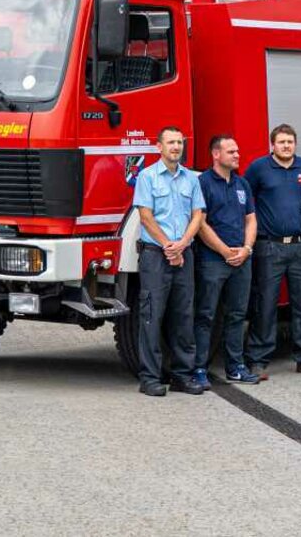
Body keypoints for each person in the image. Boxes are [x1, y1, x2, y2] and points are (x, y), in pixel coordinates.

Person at [132, 125, 206, 397]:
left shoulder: (191, 179)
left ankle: (182, 376)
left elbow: (198, 215)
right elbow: (145, 216)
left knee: (183, 316)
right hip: (156, 256)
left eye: (179, 143)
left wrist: (183, 244)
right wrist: (168, 246)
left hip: (183, 253)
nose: (176, 147)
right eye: (171, 143)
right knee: (152, 316)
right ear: (158, 146)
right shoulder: (147, 177)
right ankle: (150, 378)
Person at [245, 123, 301, 378]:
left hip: (300, 246)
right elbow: (246, 202)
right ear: (272, 145)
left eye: (290, 142)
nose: (286, 146)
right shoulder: (258, 168)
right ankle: (258, 359)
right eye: (281, 142)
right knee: (265, 304)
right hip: (269, 246)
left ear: (295, 144)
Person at [193, 133, 258, 387]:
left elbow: (250, 218)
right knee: (206, 314)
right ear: (216, 154)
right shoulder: (203, 183)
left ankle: (235, 366)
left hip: (242, 259)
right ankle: (198, 368)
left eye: (238, 151)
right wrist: (223, 250)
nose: (237, 155)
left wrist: (246, 248)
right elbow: (200, 222)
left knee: (237, 314)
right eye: (231, 152)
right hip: (213, 261)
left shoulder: (242, 184)